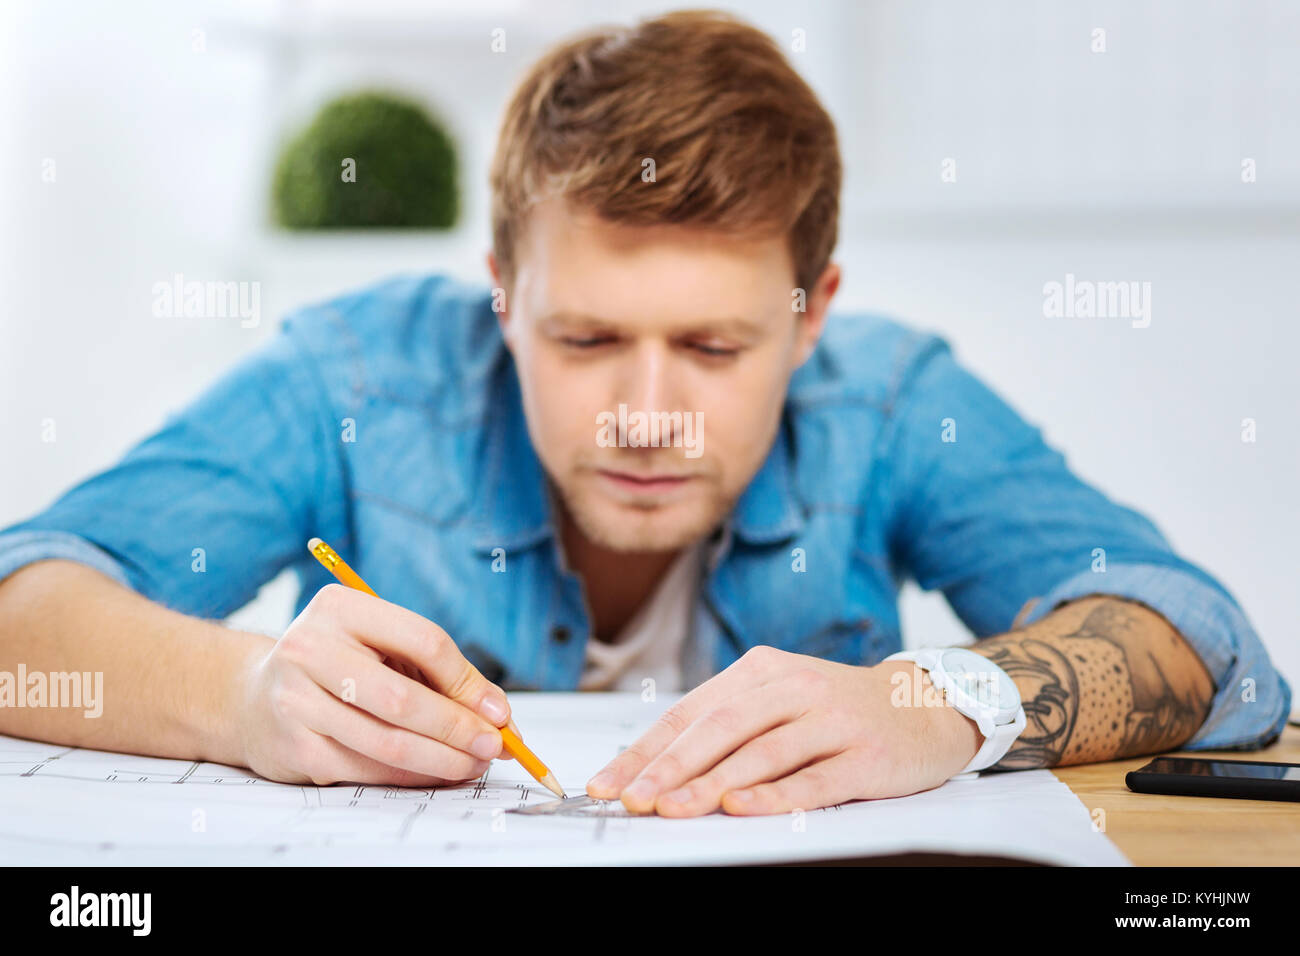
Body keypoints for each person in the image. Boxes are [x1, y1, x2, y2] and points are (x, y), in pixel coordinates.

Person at [0, 10, 1288, 818]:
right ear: (501, 295)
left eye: (720, 346)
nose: (651, 417)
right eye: (587, 338)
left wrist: (944, 698)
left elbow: (1204, 639)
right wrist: (242, 696)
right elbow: (20, 607)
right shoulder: (353, 378)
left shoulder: (890, 399)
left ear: (811, 312)